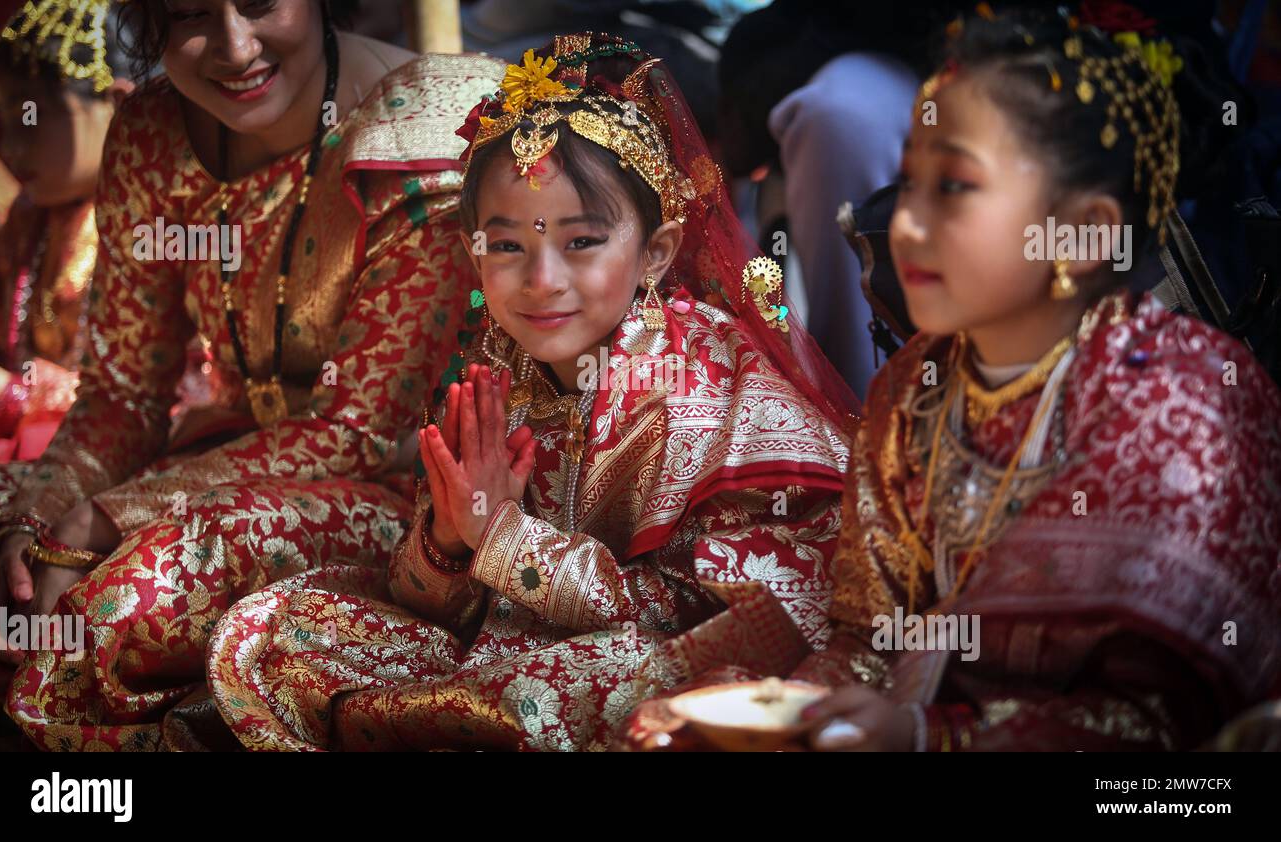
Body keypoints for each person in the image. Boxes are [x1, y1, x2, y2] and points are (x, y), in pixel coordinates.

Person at [624, 6, 1281, 752]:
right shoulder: (915, 388)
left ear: (1085, 231)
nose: (904, 224)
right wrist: (805, 711)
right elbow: (872, 634)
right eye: (909, 183)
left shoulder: (1181, 410)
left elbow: (1163, 729)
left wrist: (922, 736)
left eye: (956, 187)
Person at [203, 32, 856, 751]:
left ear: (656, 253)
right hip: (512, 649)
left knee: (561, 694)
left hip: (674, 654)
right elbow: (438, 606)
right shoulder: (493, 370)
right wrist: (449, 540)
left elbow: (715, 613)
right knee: (280, 633)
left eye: (581, 243)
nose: (541, 281)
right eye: (508, 245)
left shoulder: (708, 386)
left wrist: (504, 539)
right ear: (471, 252)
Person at [0, 0, 502, 750]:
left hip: (408, 497)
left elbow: (359, 432)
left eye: (260, 3)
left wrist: (101, 521)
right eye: (191, 13)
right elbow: (126, 395)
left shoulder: (422, 131)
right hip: (214, 461)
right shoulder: (151, 133)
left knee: (137, 587)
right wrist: (40, 520)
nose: (233, 47)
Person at [0, 0, 136, 465]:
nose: (12, 145)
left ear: (116, 105)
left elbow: (174, 400)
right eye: (8, 122)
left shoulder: (152, 221)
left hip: (103, 454)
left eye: (32, 119)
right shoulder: (27, 220)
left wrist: (12, 396)